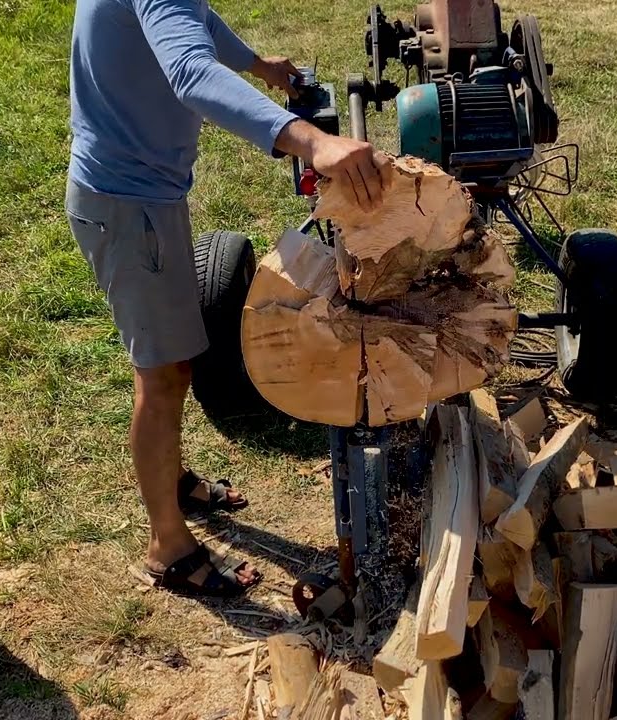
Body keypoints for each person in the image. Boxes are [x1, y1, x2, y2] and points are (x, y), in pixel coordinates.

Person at [65, 0, 385, 598]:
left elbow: (197, 22)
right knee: (163, 375)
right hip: (129, 205)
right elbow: (190, 72)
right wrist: (312, 141)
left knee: (172, 363)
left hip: (140, 195)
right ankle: (167, 547)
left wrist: (259, 65)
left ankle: (172, 480)